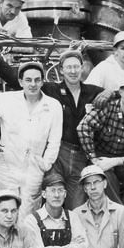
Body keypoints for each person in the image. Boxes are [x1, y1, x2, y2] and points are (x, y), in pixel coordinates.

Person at [0, 61, 63, 217]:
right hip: (6, 168)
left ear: (42, 81)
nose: (32, 84)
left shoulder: (53, 106)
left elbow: (55, 140)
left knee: (29, 216)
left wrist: (46, 164)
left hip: (34, 171)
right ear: (20, 82)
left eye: (37, 80)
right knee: (4, 213)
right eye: (28, 80)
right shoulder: (5, 100)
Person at [77, 72, 124, 204]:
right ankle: (116, 211)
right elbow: (83, 127)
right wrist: (93, 158)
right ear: (120, 92)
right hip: (102, 155)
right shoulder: (108, 107)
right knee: (104, 176)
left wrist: (116, 161)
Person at [42, 48, 103, 207]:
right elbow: (20, 80)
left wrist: (109, 93)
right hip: (58, 153)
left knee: (76, 205)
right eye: (68, 67)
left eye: (76, 66)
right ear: (61, 70)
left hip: (81, 156)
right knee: (53, 200)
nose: (73, 71)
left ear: (82, 68)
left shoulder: (92, 91)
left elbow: (123, 94)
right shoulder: (51, 90)